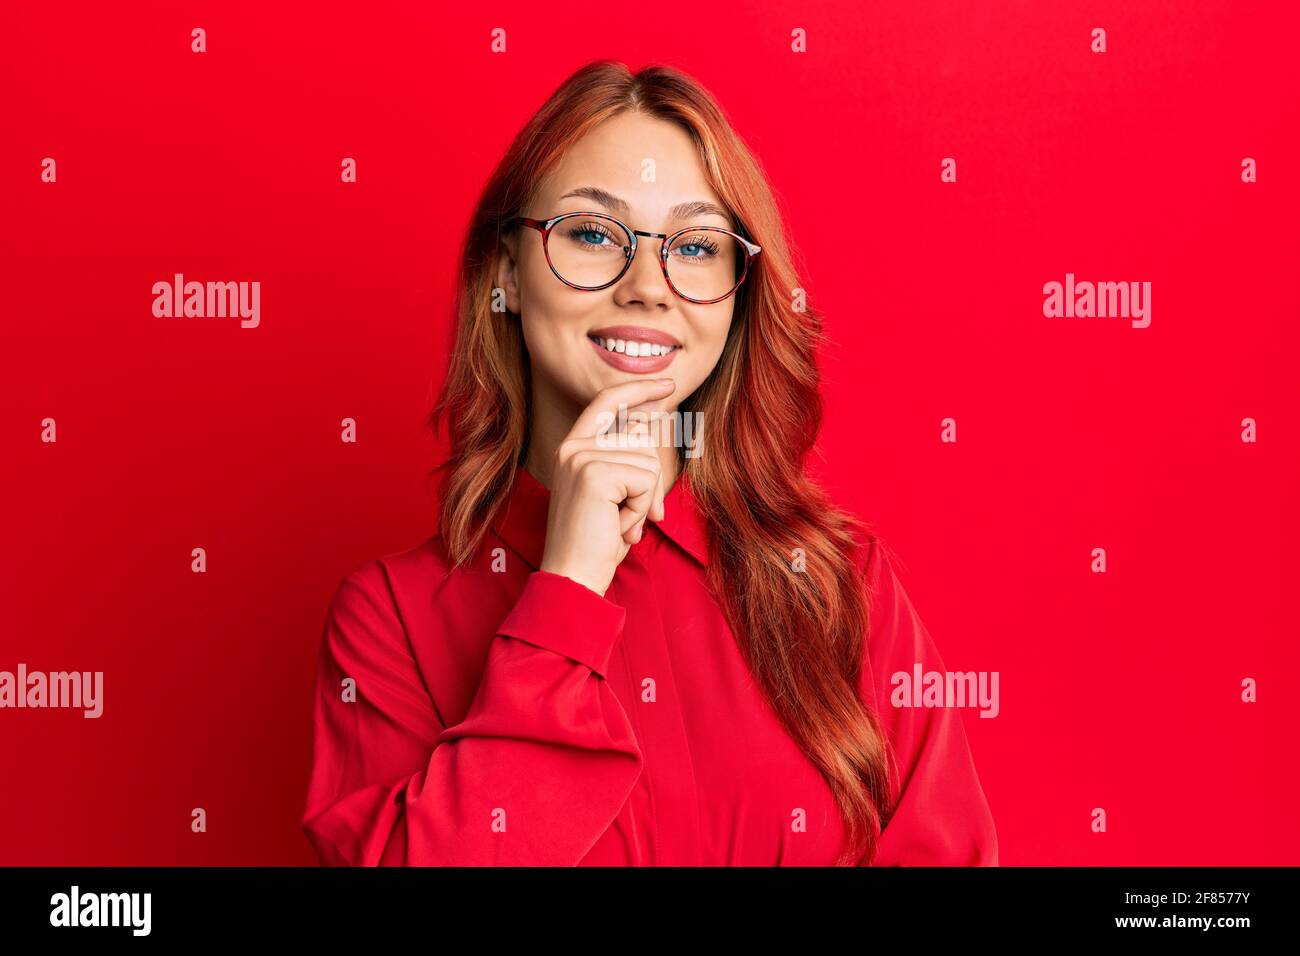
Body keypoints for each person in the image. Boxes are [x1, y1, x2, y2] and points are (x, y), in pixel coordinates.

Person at [301, 59, 997, 866]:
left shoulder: (844, 587)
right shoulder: (388, 623)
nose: (649, 287)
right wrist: (566, 593)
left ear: (738, 293)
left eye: (696, 246)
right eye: (594, 234)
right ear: (506, 276)